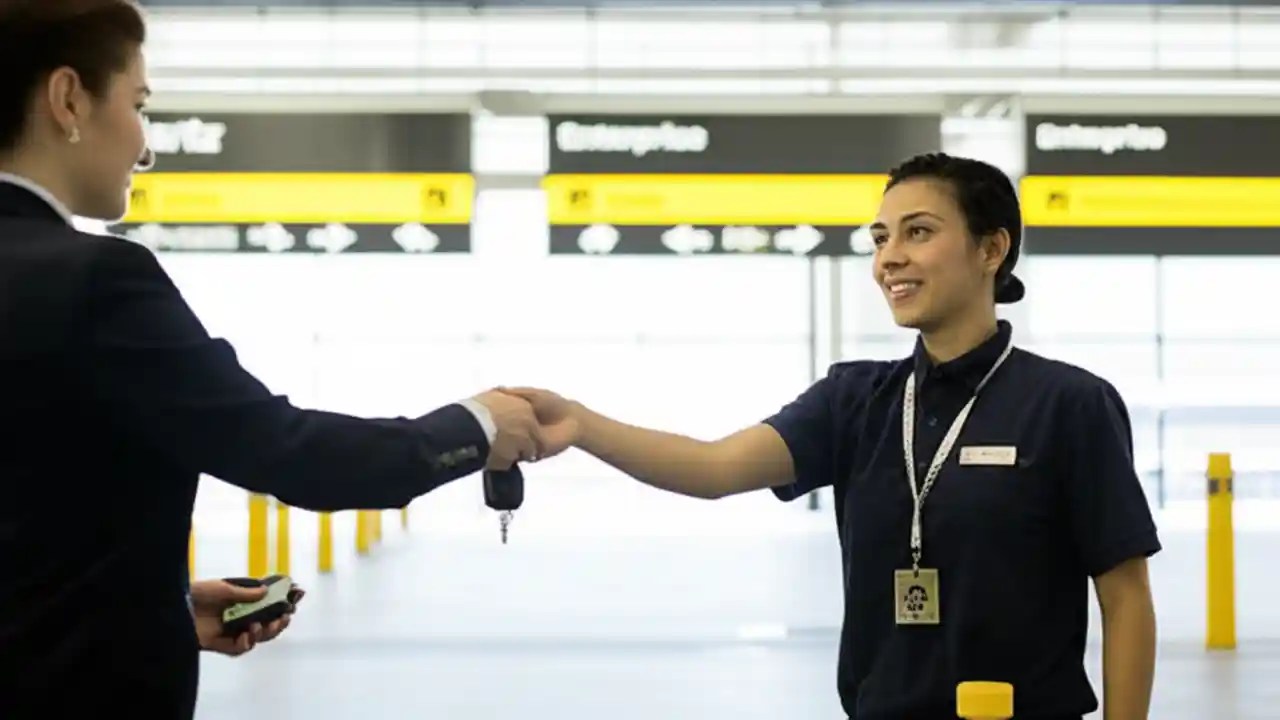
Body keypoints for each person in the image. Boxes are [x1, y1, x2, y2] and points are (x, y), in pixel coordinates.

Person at [0, 1, 545, 717]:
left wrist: (156, 606)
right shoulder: (96, 280)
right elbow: (283, 451)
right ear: (68, 98)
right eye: (138, 105)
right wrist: (475, 428)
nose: (146, 147)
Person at [504, 153, 1160, 720]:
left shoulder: (1069, 404)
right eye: (879, 239)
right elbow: (712, 468)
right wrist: (583, 425)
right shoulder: (855, 401)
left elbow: (1124, 596)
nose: (889, 259)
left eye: (918, 232)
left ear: (992, 249)